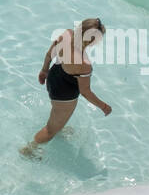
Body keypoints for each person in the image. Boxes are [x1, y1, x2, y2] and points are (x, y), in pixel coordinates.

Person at [23, 18, 111, 154]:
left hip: (54, 79)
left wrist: (44, 70)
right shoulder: (84, 63)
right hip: (64, 95)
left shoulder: (66, 35)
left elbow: (49, 54)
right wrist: (103, 106)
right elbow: (85, 92)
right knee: (50, 130)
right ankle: (28, 149)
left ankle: (58, 124)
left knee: (58, 114)